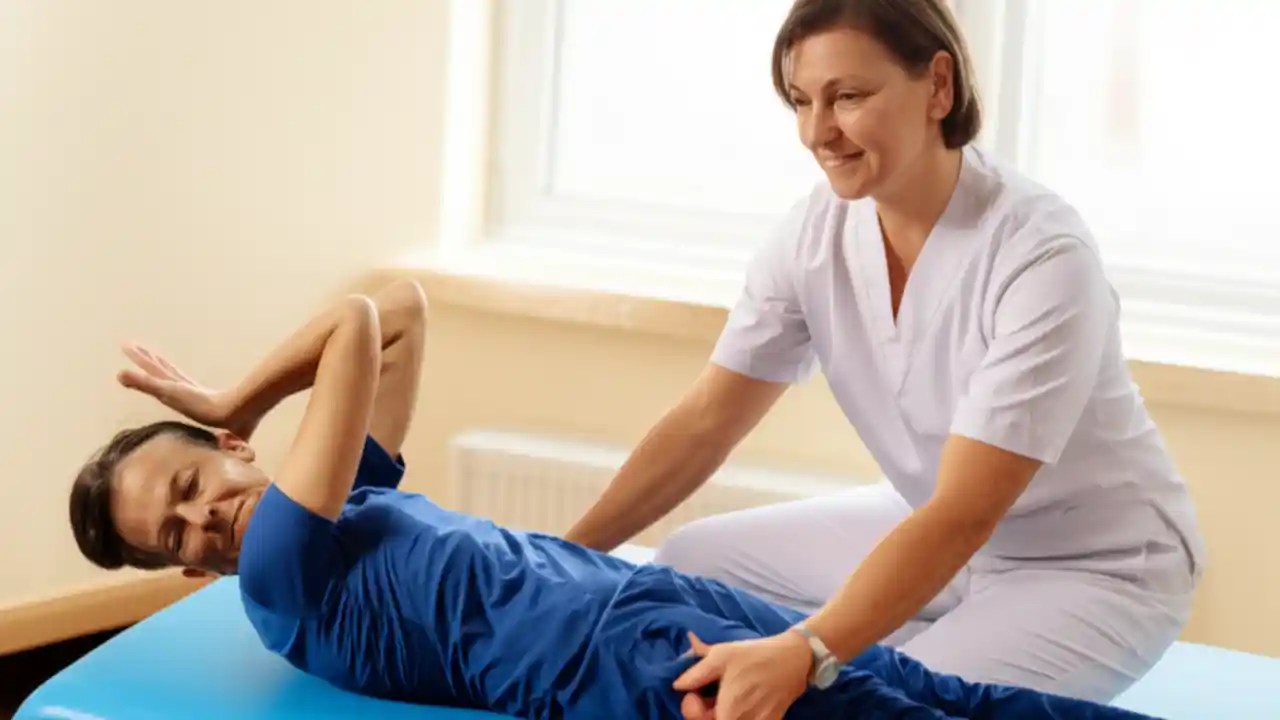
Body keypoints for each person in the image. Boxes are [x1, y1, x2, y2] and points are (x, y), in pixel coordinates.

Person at [67, 280, 1157, 720]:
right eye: (175, 535)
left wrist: (236, 415)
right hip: (620, 669)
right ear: (192, 570)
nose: (202, 520)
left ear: (227, 454)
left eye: (192, 487)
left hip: (642, 597)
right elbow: (351, 323)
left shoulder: (337, 502)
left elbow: (397, 307)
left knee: (928, 689)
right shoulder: (276, 576)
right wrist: (235, 401)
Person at [562, 0, 1206, 715]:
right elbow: (708, 420)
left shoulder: (1042, 255)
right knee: (686, 566)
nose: (817, 132)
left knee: (874, 701)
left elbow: (966, 511)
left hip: (1087, 564)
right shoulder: (816, 231)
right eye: (802, 101)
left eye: (848, 97)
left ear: (938, 87)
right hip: (926, 520)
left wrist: (807, 650)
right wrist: (565, 559)